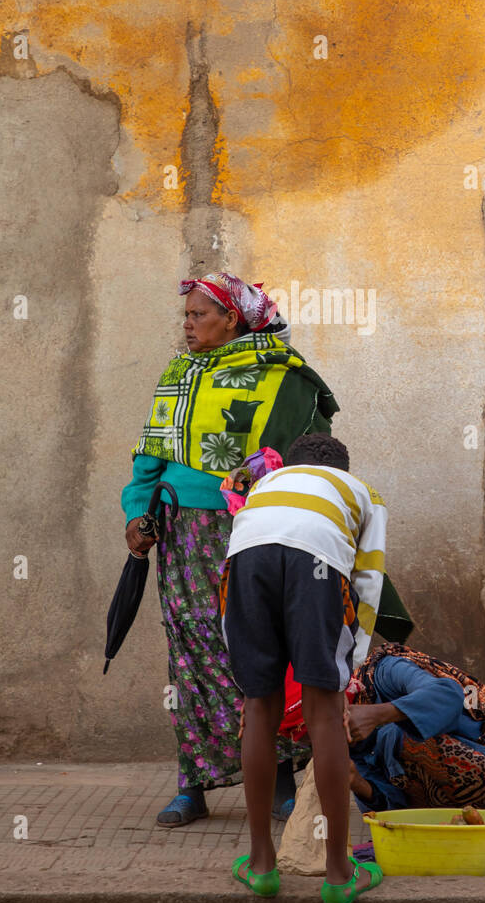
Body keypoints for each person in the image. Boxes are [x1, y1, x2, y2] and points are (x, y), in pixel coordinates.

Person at [122, 272, 339, 827]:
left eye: (199, 315)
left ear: (232, 319)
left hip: (254, 530)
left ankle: (281, 780)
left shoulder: (280, 376)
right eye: (187, 315)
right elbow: (149, 457)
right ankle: (192, 784)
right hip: (181, 534)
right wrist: (135, 513)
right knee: (192, 651)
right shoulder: (178, 375)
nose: (188, 324)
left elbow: (309, 457)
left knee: (260, 644)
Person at [220, 433, 386, 903]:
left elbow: (239, 548)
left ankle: (261, 866)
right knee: (324, 715)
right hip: (318, 564)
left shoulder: (264, 485)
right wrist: (350, 665)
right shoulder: (362, 491)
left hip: (246, 562)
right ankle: (337, 876)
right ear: (344, 467)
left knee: (259, 707)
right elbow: (369, 578)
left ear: (292, 463)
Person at [345, 644, 485, 855]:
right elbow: (389, 812)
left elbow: (448, 694)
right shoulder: (347, 740)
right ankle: (458, 836)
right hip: (442, 803)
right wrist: (356, 782)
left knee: (396, 735)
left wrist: (377, 715)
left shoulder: (386, 671)